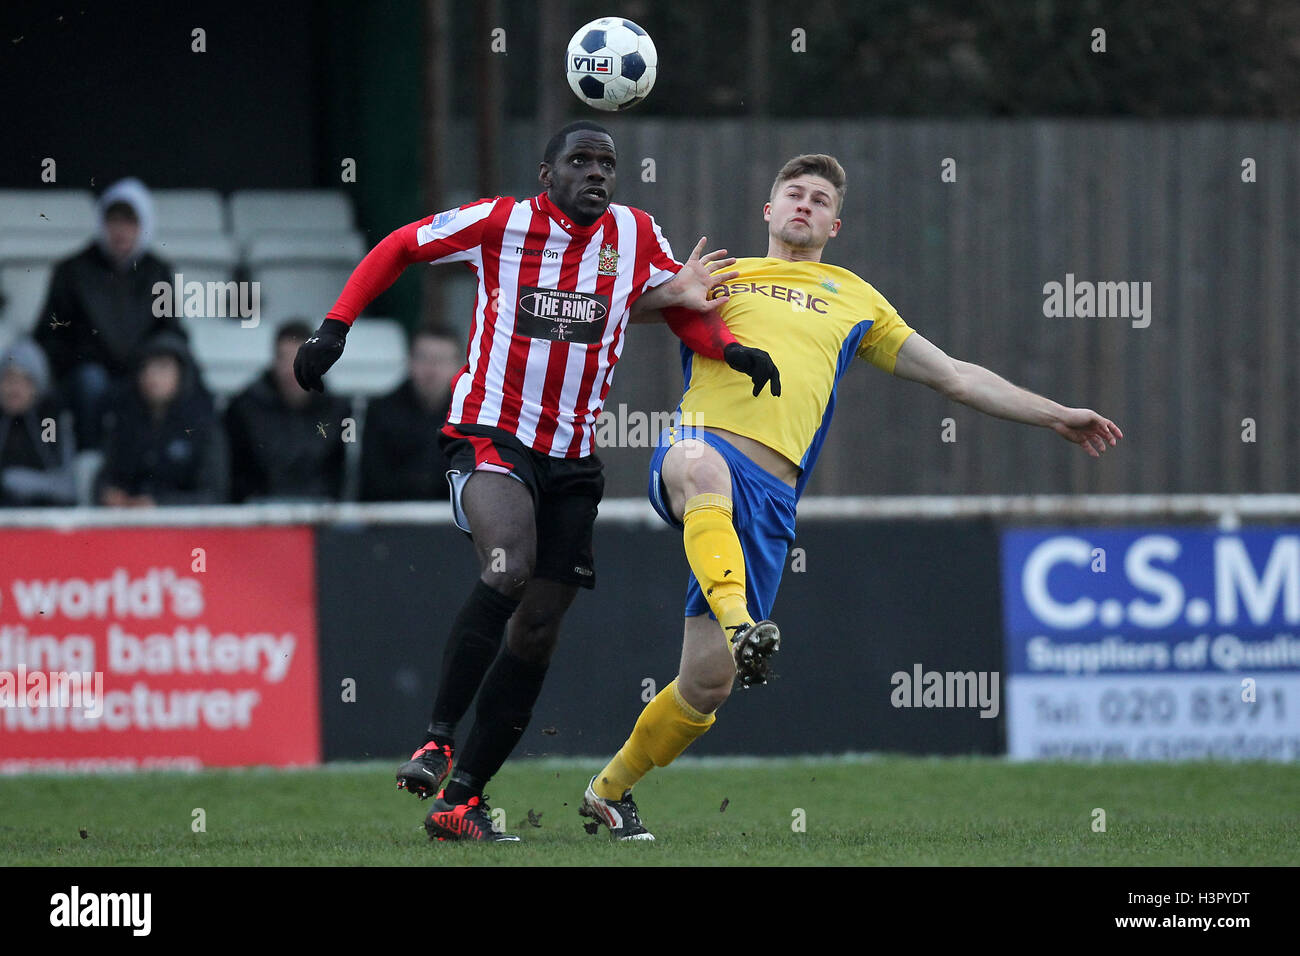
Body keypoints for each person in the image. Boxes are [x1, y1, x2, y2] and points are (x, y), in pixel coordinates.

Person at [579, 153, 1124, 840]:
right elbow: (607, 311)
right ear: (768, 211)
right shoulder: (724, 275)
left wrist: (1054, 414)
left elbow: (955, 375)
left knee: (707, 687)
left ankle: (609, 789)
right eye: (792, 194)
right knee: (699, 466)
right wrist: (669, 290)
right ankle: (744, 622)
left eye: (818, 199)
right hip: (699, 449)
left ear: (835, 224)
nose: (804, 205)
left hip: (771, 501)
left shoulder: (856, 298)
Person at [293, 120, 780, 842]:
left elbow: (683, 306)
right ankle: (435, 737)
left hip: (574, 459)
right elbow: (400, 244)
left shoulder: (636, 235)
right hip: (490, 434)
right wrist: (334, 327)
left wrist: (734, 350)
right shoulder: (501, 222)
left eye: (607, 164)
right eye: (579, 161)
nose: (596, 174)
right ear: (546, 176)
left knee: (539, 630)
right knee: (507, 566)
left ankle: (462, 801)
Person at [34, 178, 184, 451]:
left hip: (141, 371)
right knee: (91, 382)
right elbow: (49, 333)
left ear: (143, 226)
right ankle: (88, 462)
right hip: (85, 376)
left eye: (130, 222)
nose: (121, 231)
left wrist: (152, 363)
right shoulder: (72, 271)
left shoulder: (157, 271)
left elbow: (170, 330)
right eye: (114, 221)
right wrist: (83, 357)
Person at [95, 331, 226, 507]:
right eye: (145, 368)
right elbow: (103, 478)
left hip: (185, 529)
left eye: (162, 367)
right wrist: (110, 496)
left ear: (183, 374)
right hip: (127, 524)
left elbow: (213, 495)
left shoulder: (204, 425)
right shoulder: (124, 421)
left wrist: (160, 505)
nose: (152, 376)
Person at [226, 320, 350, 503]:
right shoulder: (243, 409)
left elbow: (341, 476)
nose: (291, 369)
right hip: (257, 517)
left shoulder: (338, 410)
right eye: (284, 358)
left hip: (323, 515)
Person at [360, 325, 460, 502]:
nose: (432, 370)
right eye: (424, 359)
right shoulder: (380, 412)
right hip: (391, 519)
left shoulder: (473, 417)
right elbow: (373, 481)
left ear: (457, 366)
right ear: (409, 361)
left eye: (441, 361)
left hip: (452, 522)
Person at [0, 338, 77, 507]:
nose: (14, 389)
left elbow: (66, 486)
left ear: (37, 385)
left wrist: (17, 481)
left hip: (43, 516)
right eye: (8, 379)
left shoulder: (49, 421)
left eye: (23, 381)